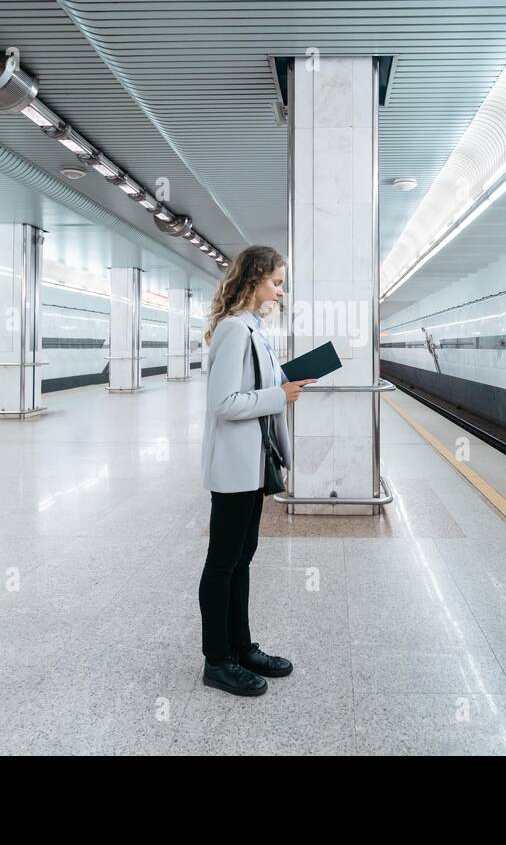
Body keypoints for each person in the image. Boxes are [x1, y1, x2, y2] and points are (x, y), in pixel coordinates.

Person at [198, 245, 314, 696]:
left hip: (252, 466)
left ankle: (241, 646)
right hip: (232, 467)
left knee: (242, 559)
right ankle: (217, 660)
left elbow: (264, 390)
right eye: (276, 283)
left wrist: (286, 385)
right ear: (253, 282)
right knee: (222, 564)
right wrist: (279, 395)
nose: (280, 293)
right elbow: (223, 403)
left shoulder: (256, 330)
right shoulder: (233, 330)